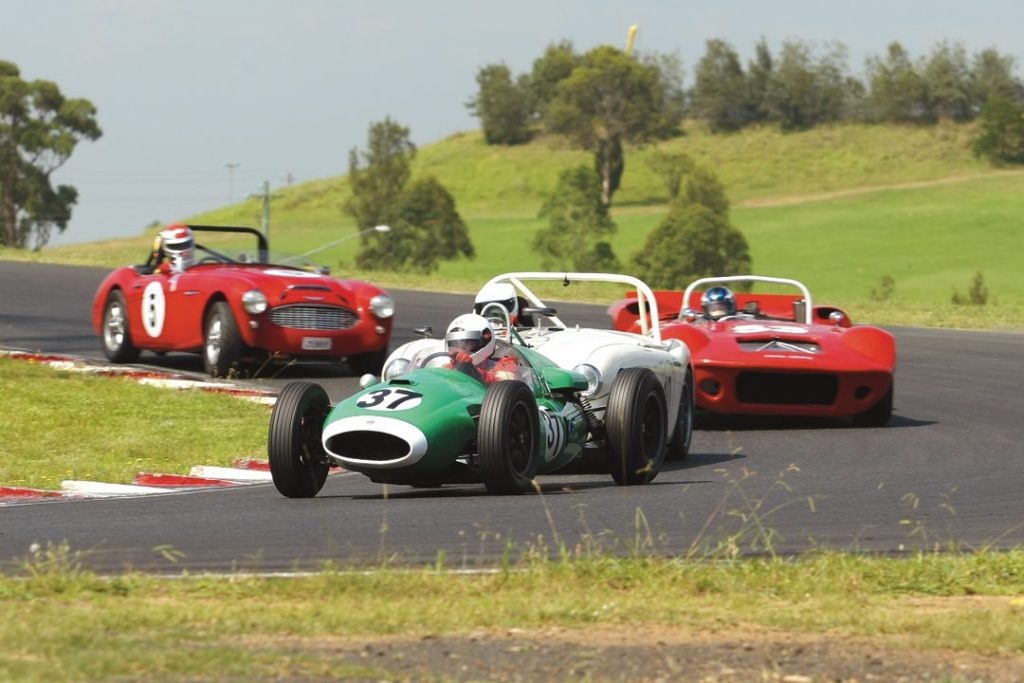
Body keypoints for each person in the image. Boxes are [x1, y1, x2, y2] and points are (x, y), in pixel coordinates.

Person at [444, 313, 521, 383]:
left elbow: (504, 385)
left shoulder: (506, 364)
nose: (459, 350)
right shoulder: (450, 367)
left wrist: (473, 372)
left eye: (466, 344)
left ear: (485, 339)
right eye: (454, 344)